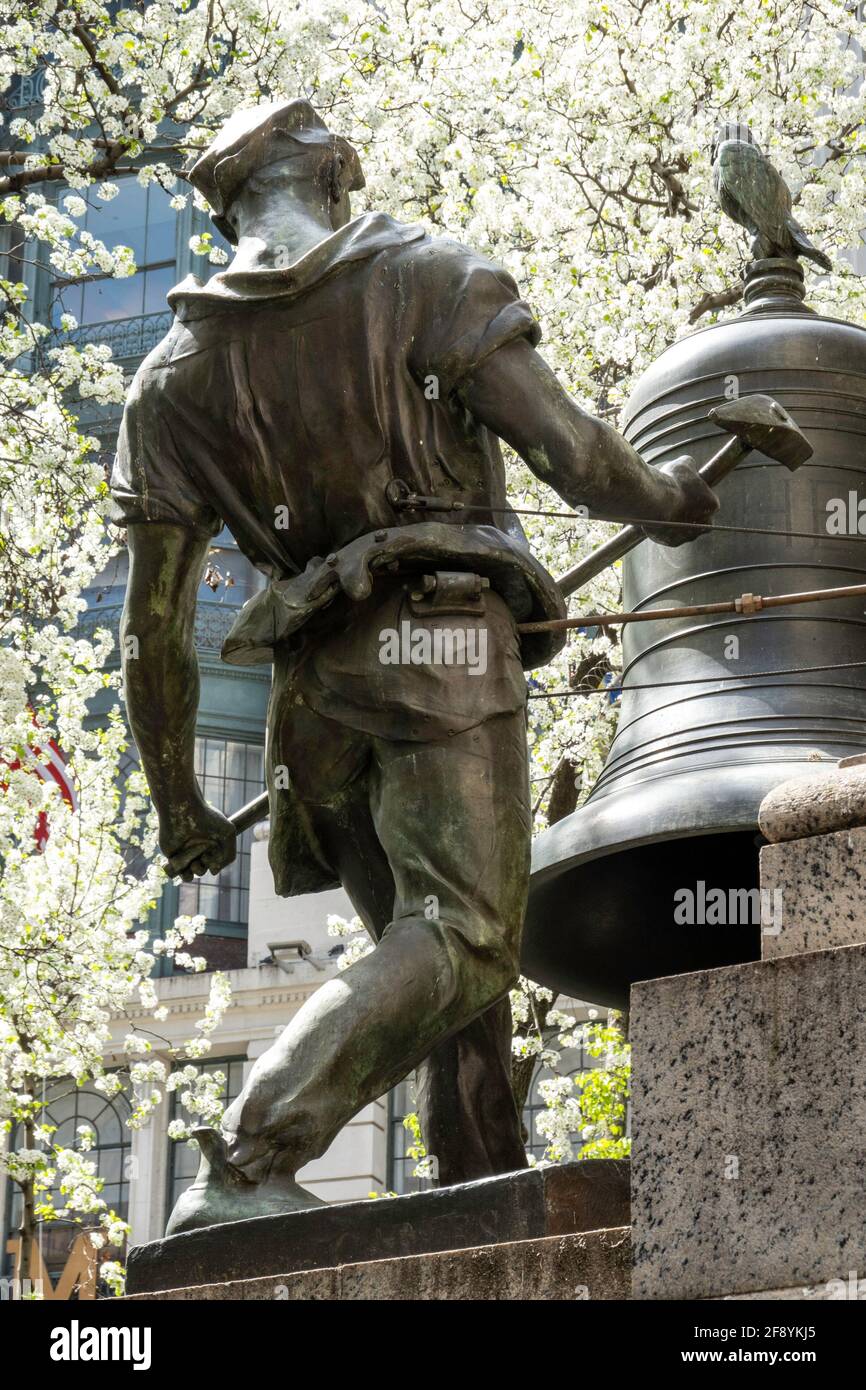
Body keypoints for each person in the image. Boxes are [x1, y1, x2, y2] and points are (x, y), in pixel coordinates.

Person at [110, 99, 717, 1234]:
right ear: (336, 172)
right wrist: (678, 502)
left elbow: (152, 626)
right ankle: (249, 1153)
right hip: (437, 650)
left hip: (315, 703)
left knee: (432, 961)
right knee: (463, 934)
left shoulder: (167, 384)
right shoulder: (430, 276)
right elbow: (579, 457)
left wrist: (180, 797)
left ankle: (476, 1168)